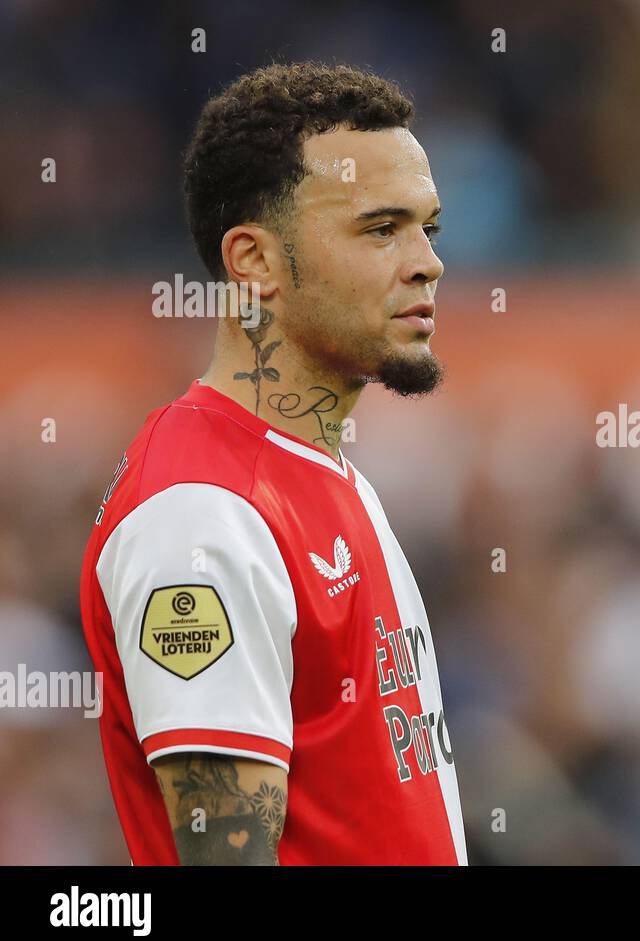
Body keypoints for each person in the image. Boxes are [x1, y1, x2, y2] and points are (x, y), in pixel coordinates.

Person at [78, 61, 466, 865]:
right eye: (379, 228)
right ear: (253, 261)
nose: (427, 262)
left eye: (429, 227)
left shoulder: (316, 471)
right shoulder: (201, 511)